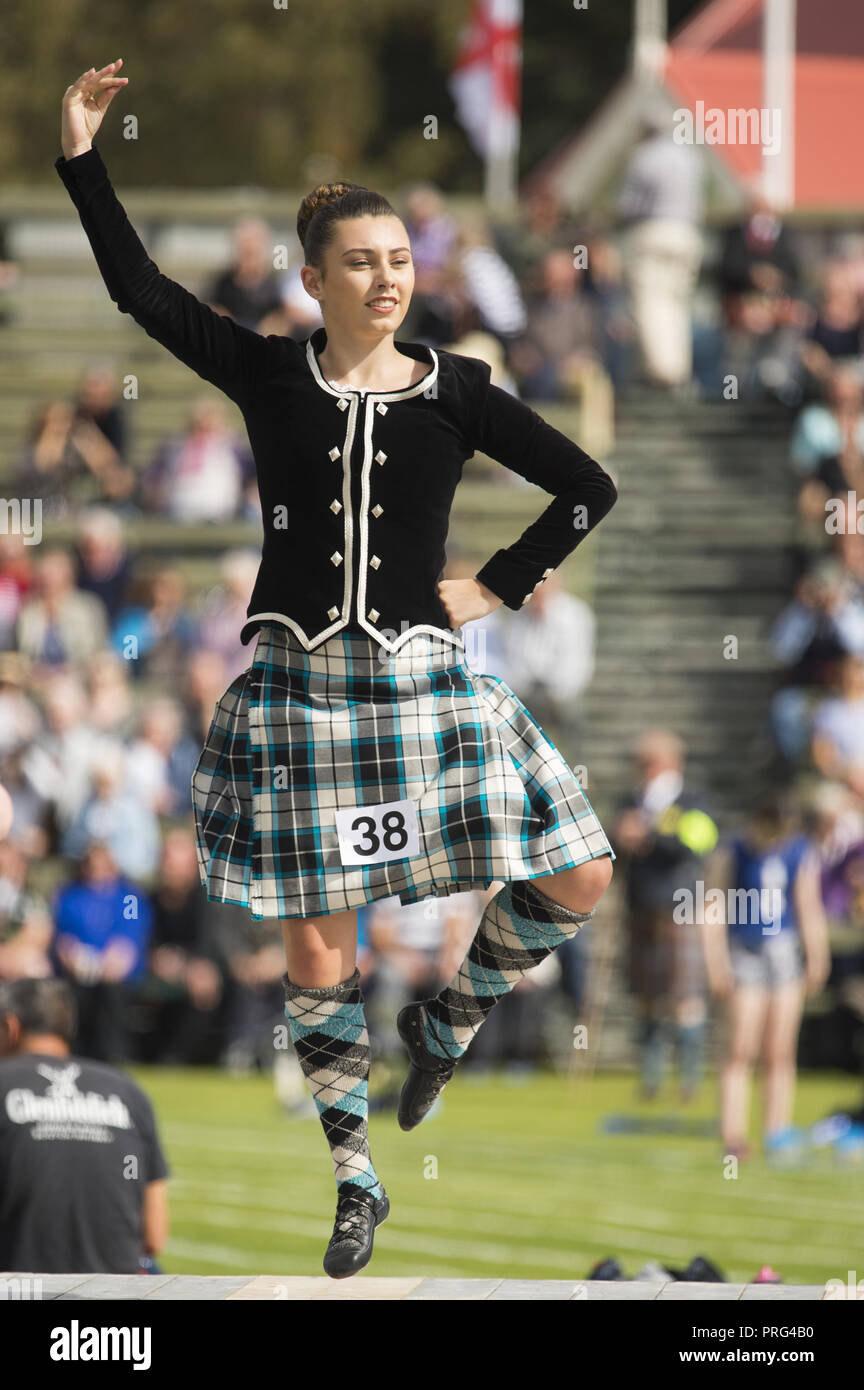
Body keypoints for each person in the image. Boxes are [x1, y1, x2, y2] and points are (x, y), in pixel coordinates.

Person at [57, 60, 618, 1279]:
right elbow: (138, 289)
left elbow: (589, 488)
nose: (387, 276)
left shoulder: (458, 391)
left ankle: (451, 1018)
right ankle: (356, 1175)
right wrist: (83, 160)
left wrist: (501, 582)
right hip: (307, 694)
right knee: (322, 947)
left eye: (400, 258)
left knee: (580, 872)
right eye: (361, 260)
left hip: (431, 680)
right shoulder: (269, 374)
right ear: (313, 279)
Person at [0, 977, 169, 1273]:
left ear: (11, 1027)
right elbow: (154, 1236)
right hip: (116, 1297)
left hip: (19, 1288)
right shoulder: (127, 1090)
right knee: (151, 1269)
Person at [701, 794, 831, 1159]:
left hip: (783, 954)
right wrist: (717, 964)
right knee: (740, 1049)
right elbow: (713, 908)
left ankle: (777, 1132)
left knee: (779, 1051)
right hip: (745, 954)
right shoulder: (733, 851)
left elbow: (808, 905)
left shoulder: (798, 851)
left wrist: (817, 956)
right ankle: (734, 1136)